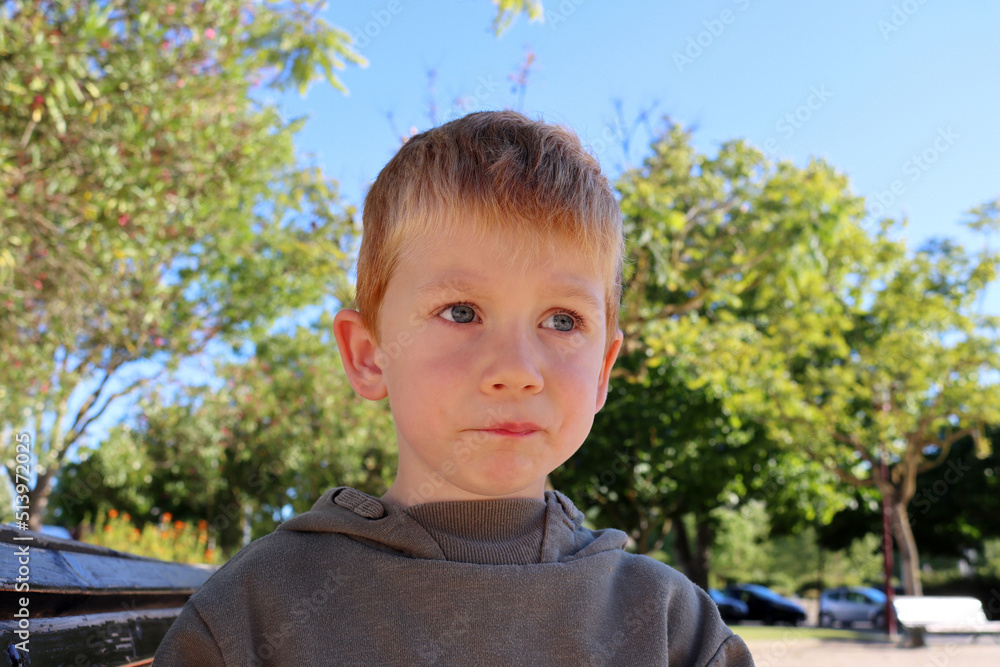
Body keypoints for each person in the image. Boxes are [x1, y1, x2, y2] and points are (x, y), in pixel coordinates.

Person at [154, 110, 755, 666]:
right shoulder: (257, 612)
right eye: (461, 312)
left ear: (602, 370)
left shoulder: (670, 626)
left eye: (562, 320)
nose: (517, 368)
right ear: (368, 355)